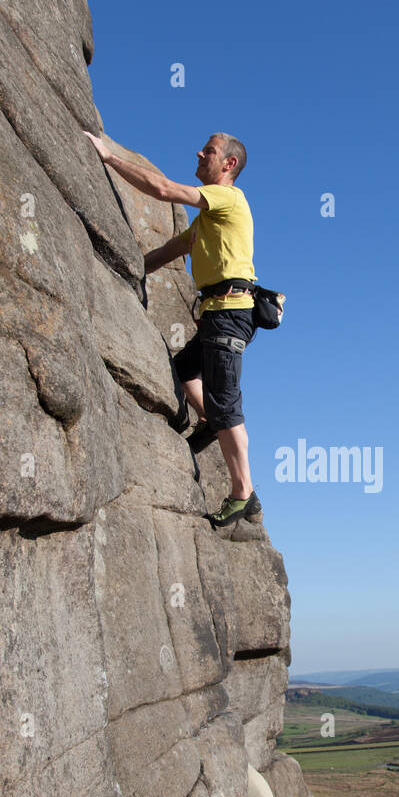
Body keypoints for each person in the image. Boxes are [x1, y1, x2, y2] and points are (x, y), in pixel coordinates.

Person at [84, 129, 261, 529]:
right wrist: (126, 268)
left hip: (230, 313)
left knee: (227, 402)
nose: (200, 152)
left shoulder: (227, 198)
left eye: (210, 151)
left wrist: (109, 157)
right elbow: (168, 252)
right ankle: (208, 423)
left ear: (228, 164)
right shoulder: (207, 219)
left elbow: (164, 190)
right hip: (219, 313)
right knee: (183, 371)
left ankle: (243, 494)